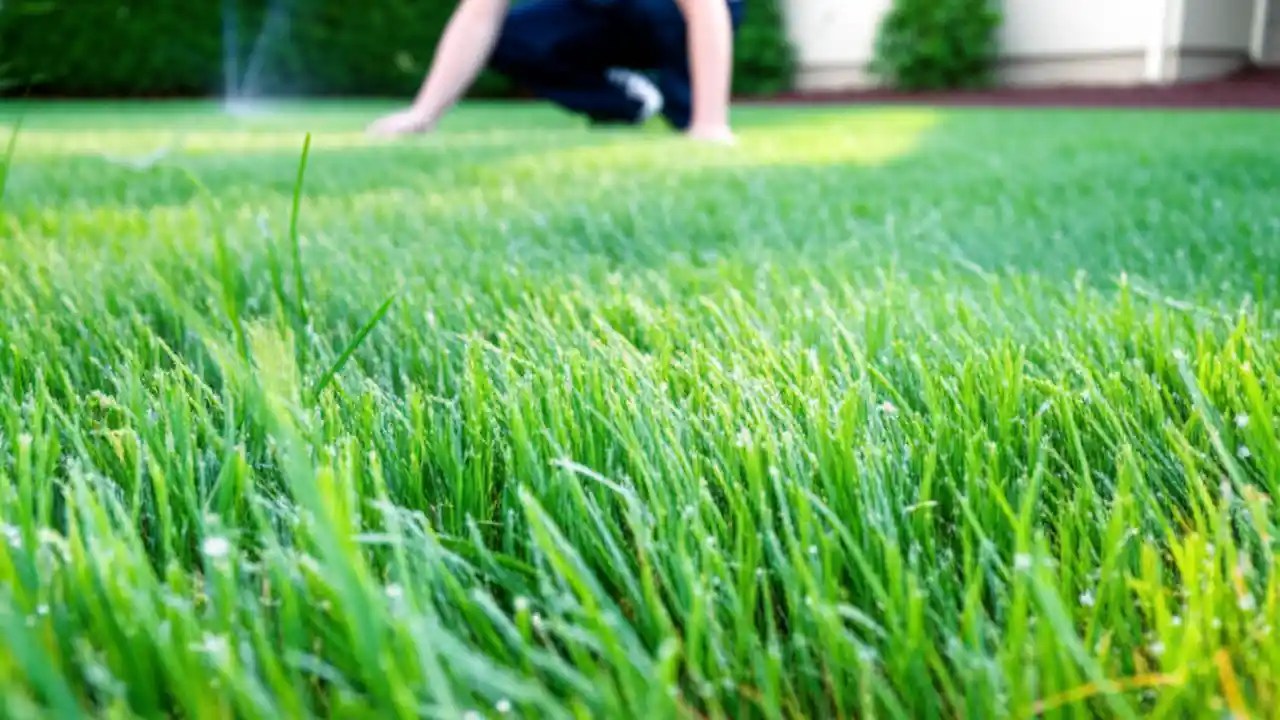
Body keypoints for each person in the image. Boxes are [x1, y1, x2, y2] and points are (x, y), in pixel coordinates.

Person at [367, 0, 743, 143]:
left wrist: (709, 123)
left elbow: (705, 10)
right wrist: (423, 113)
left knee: (687, 118)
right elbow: (478, 17)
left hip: (680, 15)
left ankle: (685, 103)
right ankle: (625, 100)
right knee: (511, 36)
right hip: (597, 14)